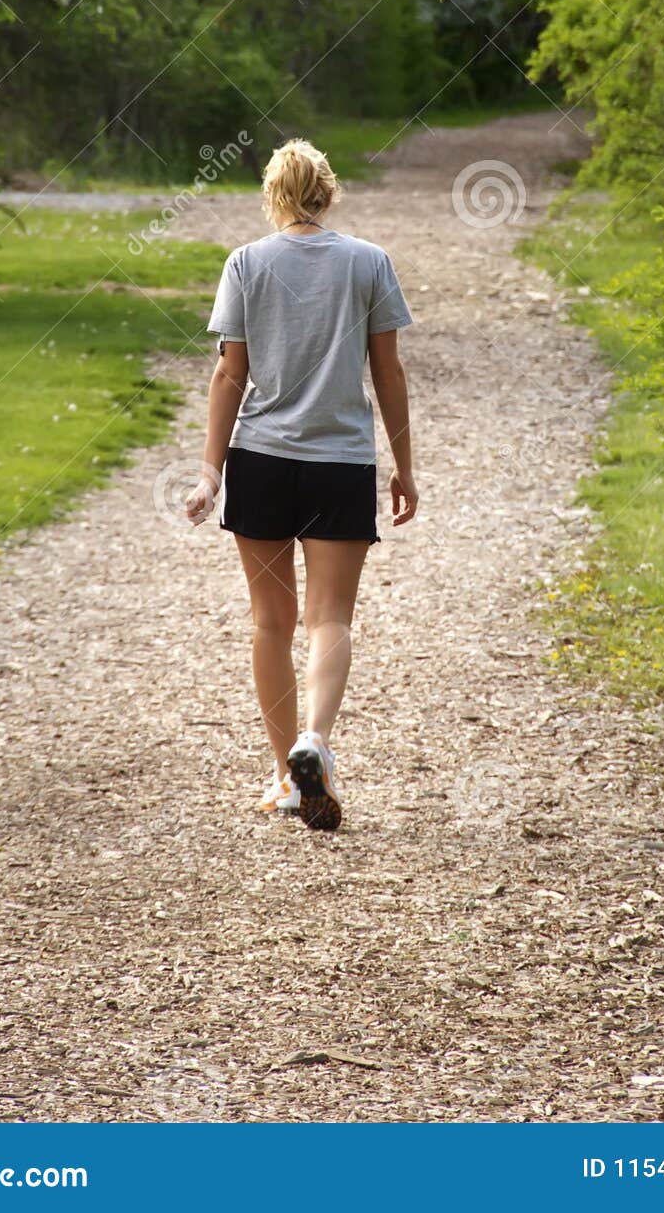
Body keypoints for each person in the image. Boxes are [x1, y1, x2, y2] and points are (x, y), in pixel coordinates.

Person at [186, 137, 417, 831]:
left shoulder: (246, 263)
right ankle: (316, 738)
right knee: (330, 619)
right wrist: (404, 466)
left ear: (275, 195)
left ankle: (287, 775)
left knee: (270, 622)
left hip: (261, 458)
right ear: (328, 191)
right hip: (341, 460)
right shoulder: (369, 263)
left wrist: (210, 470)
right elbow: (389, 372)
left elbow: (230, 373)